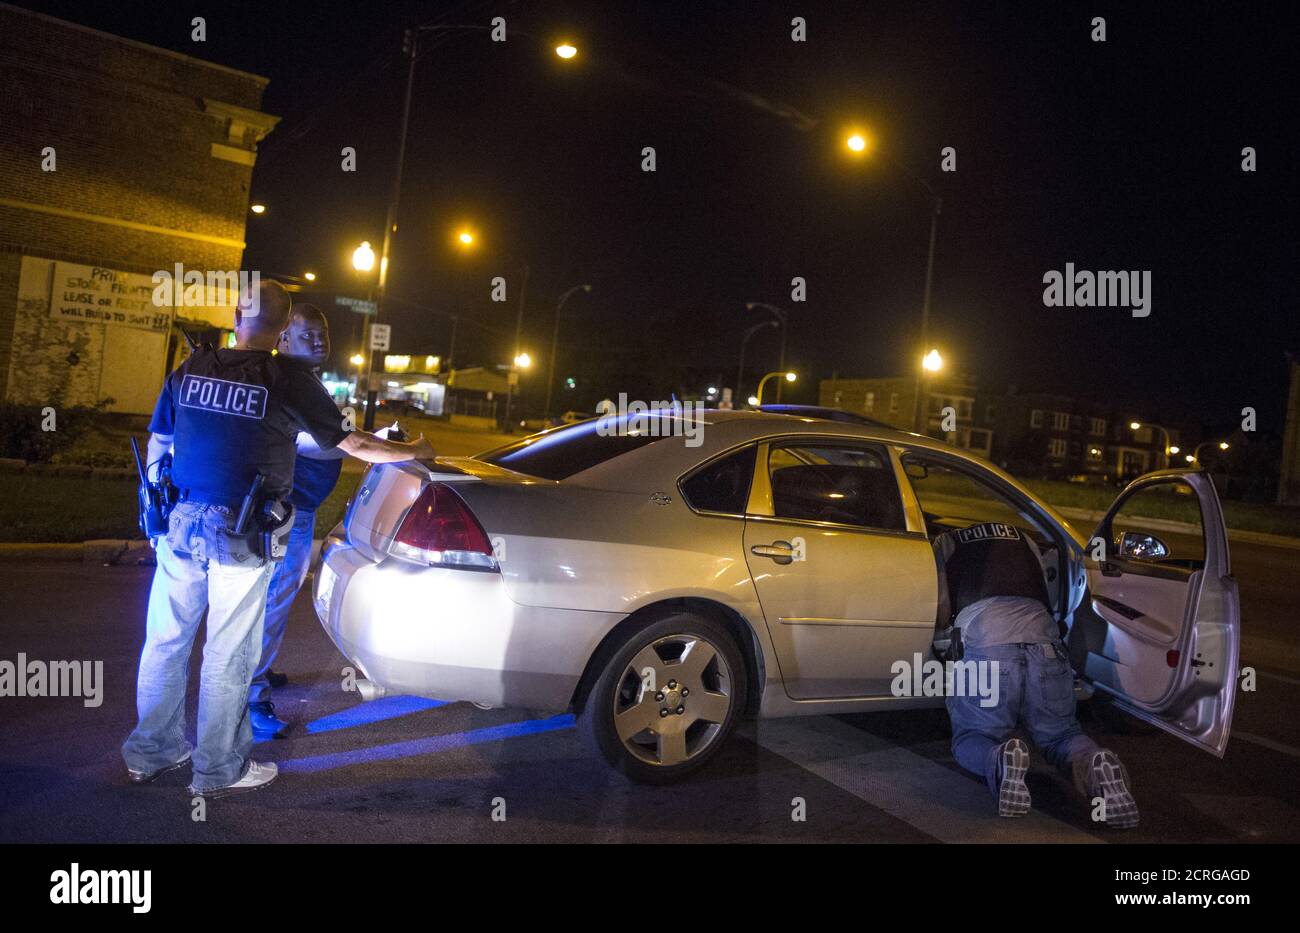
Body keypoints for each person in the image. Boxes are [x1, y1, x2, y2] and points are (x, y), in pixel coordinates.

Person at [122, 280, 434, 797]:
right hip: (242, 532)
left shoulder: (193, 367)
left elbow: (160, 441)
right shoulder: (287, 378)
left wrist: (154, 512)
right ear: (281, 325)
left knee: (165, 641)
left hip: (180, 523)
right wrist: (415, 448)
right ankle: (218, 770)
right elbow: (352, 442)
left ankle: (151, 753)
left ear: (238, 315)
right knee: (229, 651)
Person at [937, 521, 1139, 828]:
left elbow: (940, 606)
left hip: (988, 642)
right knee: (1061, 736)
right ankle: (1096, 766)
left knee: (974, 735)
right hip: (1044, 642)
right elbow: (1051, 594)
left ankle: (1000, 760)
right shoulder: (1025, 539)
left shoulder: (946, 542)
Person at [247, 303, 343, 739]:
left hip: (295, 510)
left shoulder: (299, 379)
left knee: (272, 602)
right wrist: (370, 445)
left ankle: (258, 676)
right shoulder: (285, 380)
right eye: (309, 335)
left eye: (324, 334)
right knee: (268, 605)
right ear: (283, 338)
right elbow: (314, 442)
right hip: (285, 514)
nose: (320, 341)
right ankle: (252, 698)